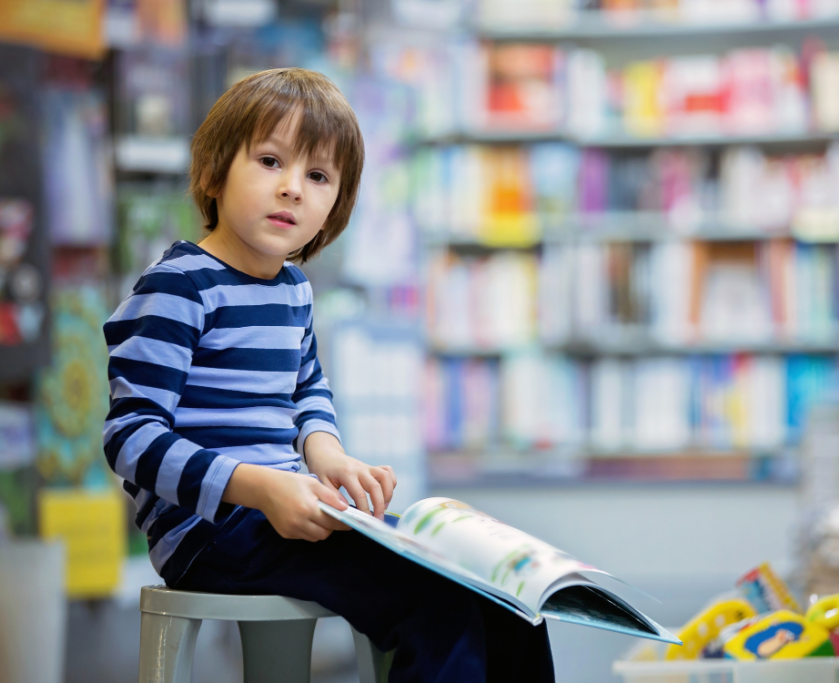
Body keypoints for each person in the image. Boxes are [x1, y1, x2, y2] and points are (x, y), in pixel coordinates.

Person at [102, 68, 555, 683]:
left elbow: (306, 390)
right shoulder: (179, 286)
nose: (292, 188)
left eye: (317, 176)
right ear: (213, 172)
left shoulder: (293, 289)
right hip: (210, 532)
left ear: (335, 206)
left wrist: (329, 456)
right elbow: (130, 438)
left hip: (281, 509)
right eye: (270, 161)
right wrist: (262, 488)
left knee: (505, 590)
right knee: (434, 599)